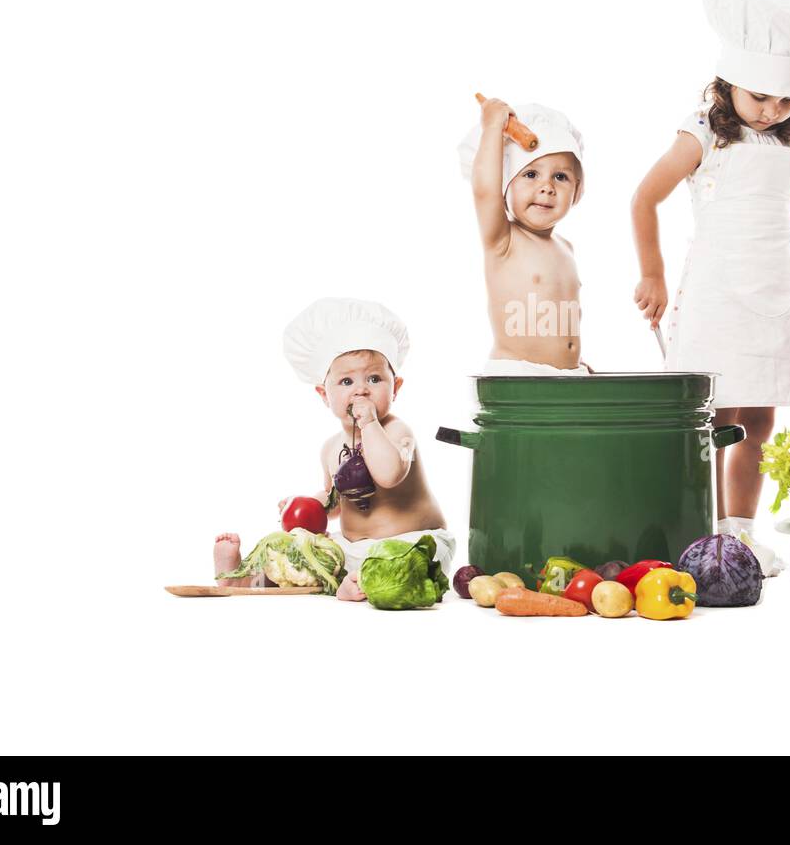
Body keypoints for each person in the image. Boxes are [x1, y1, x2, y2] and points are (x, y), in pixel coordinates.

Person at [631, 0, 790, 566]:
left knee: (760, 416)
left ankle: (739, 531)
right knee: (715, 416)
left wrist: (782, 279)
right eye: (759, 95)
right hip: (719, 289)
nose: (771, 109)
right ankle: (701, 528)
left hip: (775, 292)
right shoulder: (704, 133)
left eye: (784, 100)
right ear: (728, 83)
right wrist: (655, 275)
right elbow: (644, 198)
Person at [214, 298, 453, 600]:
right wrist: (305, 506)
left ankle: (353, 584)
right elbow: (336, 504)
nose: (361, 389)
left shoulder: (397, 431)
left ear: (396, 388)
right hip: (353, 548)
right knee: (304, 554)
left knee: (399, 569)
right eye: (346, 381)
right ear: (324, 395)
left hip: (413, 542)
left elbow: (389, 474)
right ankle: (242, 578)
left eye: (375, 378)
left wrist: (369, 425)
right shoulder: (330, 448)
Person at [459, 100, 590, 375]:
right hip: (519, 375)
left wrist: (572, 364)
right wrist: (493, 126)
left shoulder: (566, 248)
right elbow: (484, 190)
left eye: (561, 177)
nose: (547, 187)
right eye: (531, 174)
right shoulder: (503, 240)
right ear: (505, 185)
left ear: (577, 189)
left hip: (566, 377)